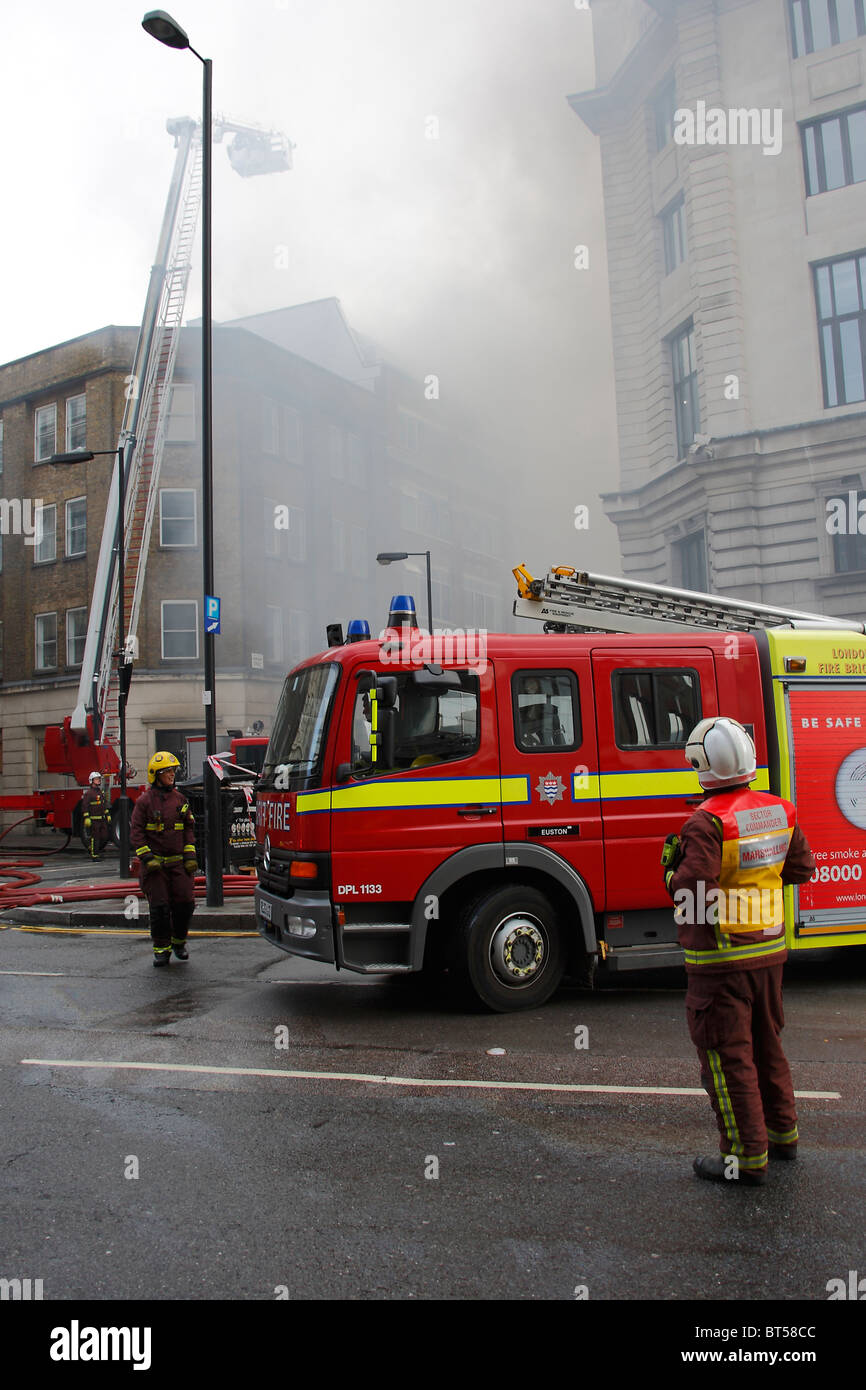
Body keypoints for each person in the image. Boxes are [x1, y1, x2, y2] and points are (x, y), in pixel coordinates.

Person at [664, 716, 815, 1186]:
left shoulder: (706, 822)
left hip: (721, 962)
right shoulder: (780, 810)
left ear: (700, 764)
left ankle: (744, 1157)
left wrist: (670, 873)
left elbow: (693, 892)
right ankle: (782, 1136)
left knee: (728, 1057)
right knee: (768, 1047)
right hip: (769, 952)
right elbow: (800, 869)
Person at [130, 752, 198, 967]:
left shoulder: (180, 799)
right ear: (156, 775)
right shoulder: (144, 802)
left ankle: (179, 942)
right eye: (167, 771)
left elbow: (188, 828)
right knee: (159, 908)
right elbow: (137, 833)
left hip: (179, 865)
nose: (172, 774)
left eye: (173, 771)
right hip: (155, 868)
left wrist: (190, 856)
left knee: (185, 903)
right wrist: (147, 858)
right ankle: (161, 949)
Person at [81, 772, 109, 861]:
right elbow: (85, 806)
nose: (99, 780)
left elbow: (103, 804)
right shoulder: (89, 793)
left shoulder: (100, 792)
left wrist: (107, 814)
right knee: (95, 838)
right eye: (96, 779)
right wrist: (86, 818)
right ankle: (95, 855)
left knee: (104, 836)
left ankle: (92, 848)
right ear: (91, 781)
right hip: (94, 820)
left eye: (99, 779)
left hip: (102, 819)